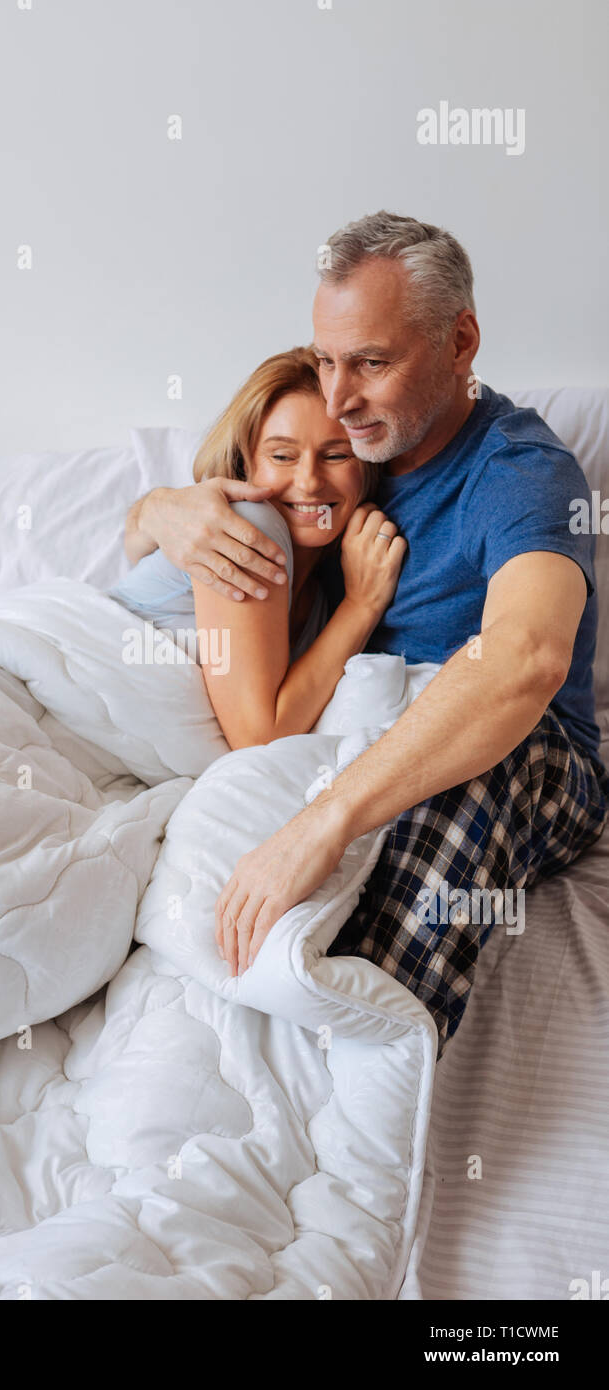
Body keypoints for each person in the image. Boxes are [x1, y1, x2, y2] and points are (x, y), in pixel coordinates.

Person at [124, 210, 609, 1057]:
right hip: (357, 744)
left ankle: (358, 1050)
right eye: (327, 361)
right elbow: (205, 518)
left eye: (371, 364)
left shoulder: (519, 473)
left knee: (483, 759)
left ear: (461, 343)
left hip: (531, 759)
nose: (341, 399)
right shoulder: (352, 454)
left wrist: (326, 822)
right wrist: (162, 509)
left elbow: (526, 659)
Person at [110, 346, 405, 749]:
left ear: (366, 466)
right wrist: (362, 606)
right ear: (246, 464)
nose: (308, 482)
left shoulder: (321, 587)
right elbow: (258, 737)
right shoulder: (244, 525)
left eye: (336, 455)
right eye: (282, 456)